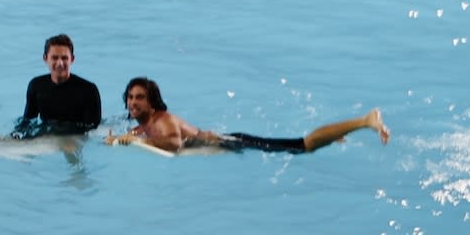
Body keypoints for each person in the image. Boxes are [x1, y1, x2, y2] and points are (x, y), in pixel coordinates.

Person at [107, 77, 390, 155]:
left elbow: (173, 144)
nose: (133, 102)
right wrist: (124, 137)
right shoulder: (146, 123)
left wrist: (137, 141)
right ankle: (335, 134)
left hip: (232, 142)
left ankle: (365, 120)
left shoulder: (163, 120)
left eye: (139, 97)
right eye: (130, 97)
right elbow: (142, 133)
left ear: (152, 102)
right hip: (227, 140)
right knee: (299, 144)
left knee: (303, 146)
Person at [14, 33, 102, 136]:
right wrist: (16, 135)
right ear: (45, 58)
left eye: (64, 58)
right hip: (47, 134)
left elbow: (93, 127)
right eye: (54, 58)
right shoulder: (36, 85)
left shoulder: (88, 90)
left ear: (72, 59)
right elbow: (27, 121)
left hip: (75, 137)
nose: (60, 63)